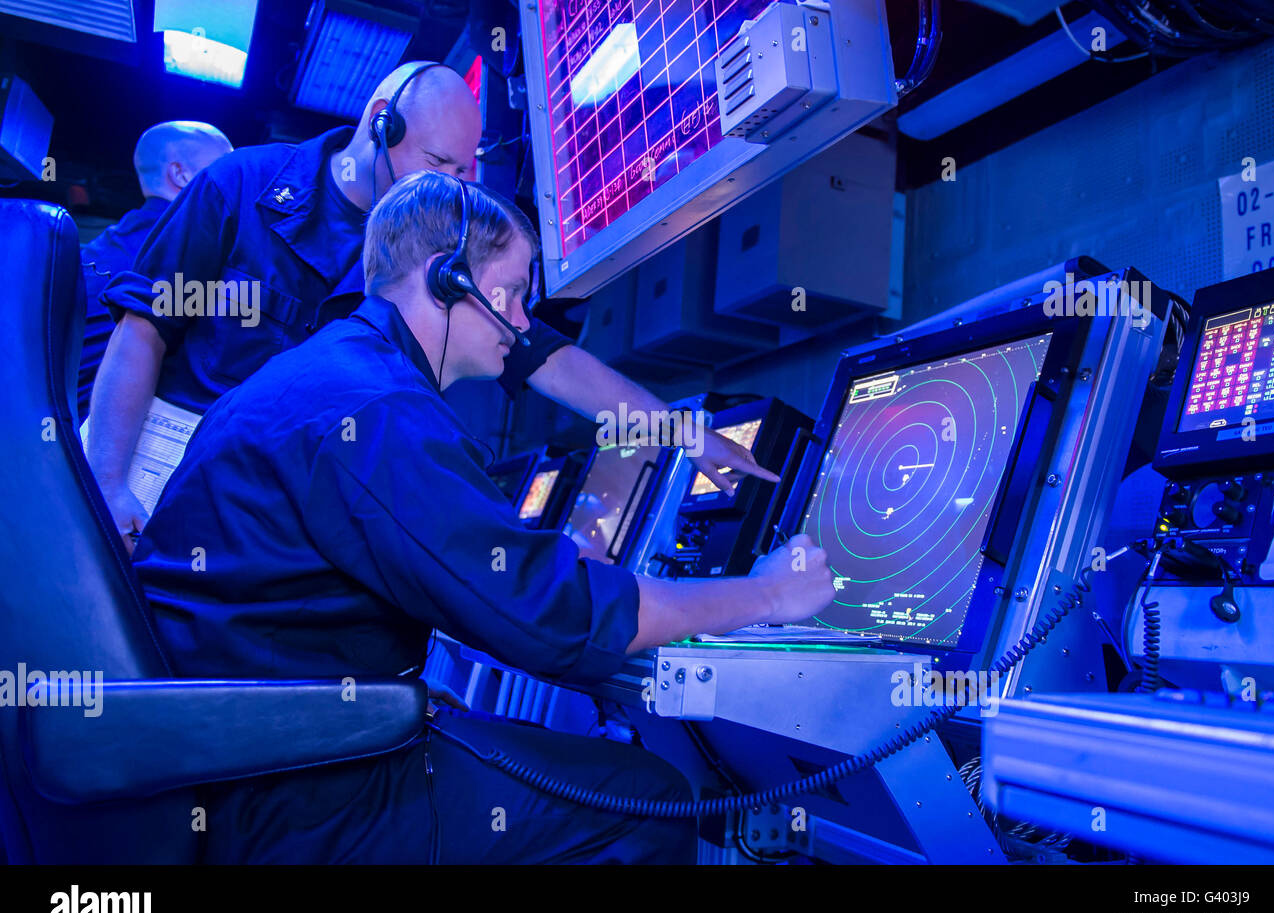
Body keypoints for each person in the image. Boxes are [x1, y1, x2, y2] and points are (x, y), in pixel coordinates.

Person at [130, 171, 835, 864]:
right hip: (292, 801)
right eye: (517, 295)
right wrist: (770, 593)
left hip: (231, 763)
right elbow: (553, 618)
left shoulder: (330, 371)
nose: (524, 325)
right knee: (643, 798)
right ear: (449, 281)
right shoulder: (381, 411)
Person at [87, 61, 775, 553]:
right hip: (171, 449)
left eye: (465, 170)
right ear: (378, 127)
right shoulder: (239, 185)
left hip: (292, 479)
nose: (454, 186)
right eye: (439, 163)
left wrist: (679, 433)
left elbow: (540, 355)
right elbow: (141, 334)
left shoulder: (430, 242)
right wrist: (110, 481)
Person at [77, 121, 232, 420]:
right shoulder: (197, 250)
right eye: (225, 168)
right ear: (180, 174)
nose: (237, 182)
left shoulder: (99, 248)